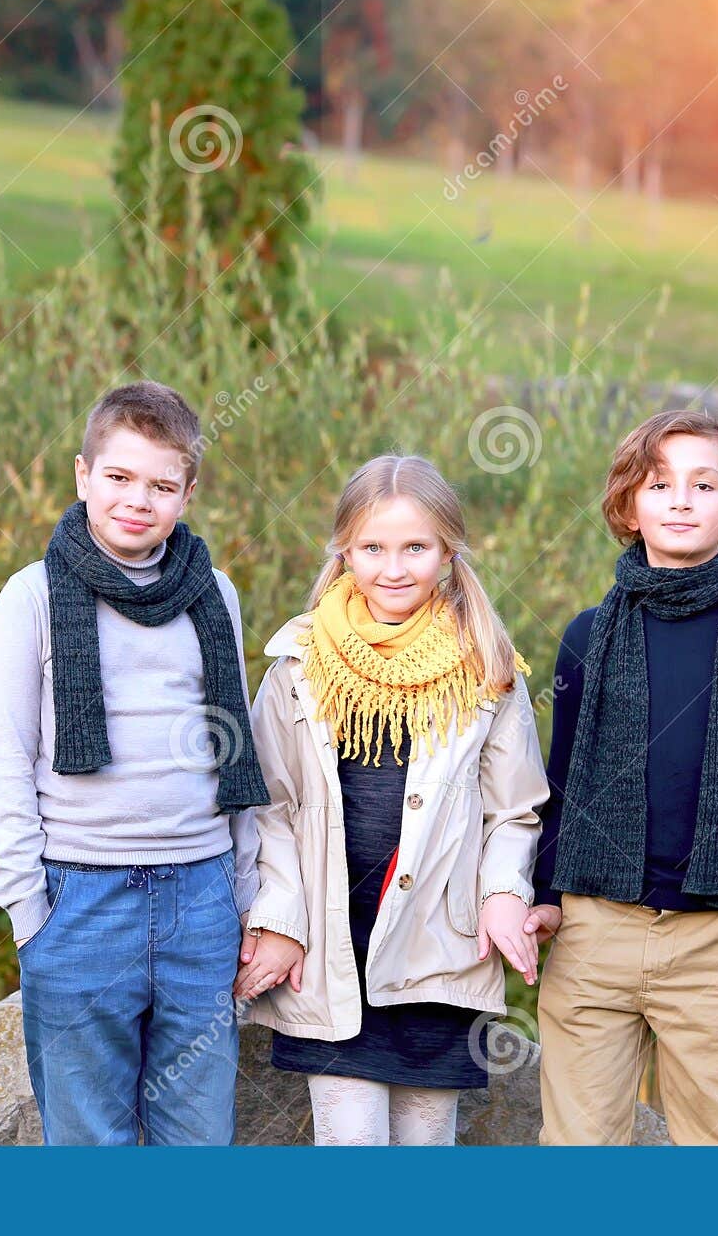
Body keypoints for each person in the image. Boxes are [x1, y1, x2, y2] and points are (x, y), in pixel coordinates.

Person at [0, 380, 266, 1145]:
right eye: (119, 477)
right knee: (89, 1143)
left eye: (162, 484)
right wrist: (31, 914)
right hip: (79, 898)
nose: (139, 499)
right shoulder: (32, 596)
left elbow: (234, 750)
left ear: (188, 492)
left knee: (198, 1137)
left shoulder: (215, 593)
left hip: (199, 900)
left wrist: (242, 893)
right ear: (82, 476)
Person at [530, 409, 718, 1145]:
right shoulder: (586, 635)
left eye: (705, 484)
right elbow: (557, 785)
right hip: (593, 932)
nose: (682, 499)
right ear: (630, 506)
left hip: (715, 950)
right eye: (659, 484)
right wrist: (539, 895)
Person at [234, 454, 549, 1145]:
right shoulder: (299, 665)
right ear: (344, 549)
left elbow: (514, 808)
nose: (394, 566)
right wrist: (280, 917)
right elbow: (269, 804)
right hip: (332, 950)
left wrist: (502, 892)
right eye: (373, 547)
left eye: (416, 547)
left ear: (448, 552)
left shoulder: (488, 667)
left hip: (440, 949)